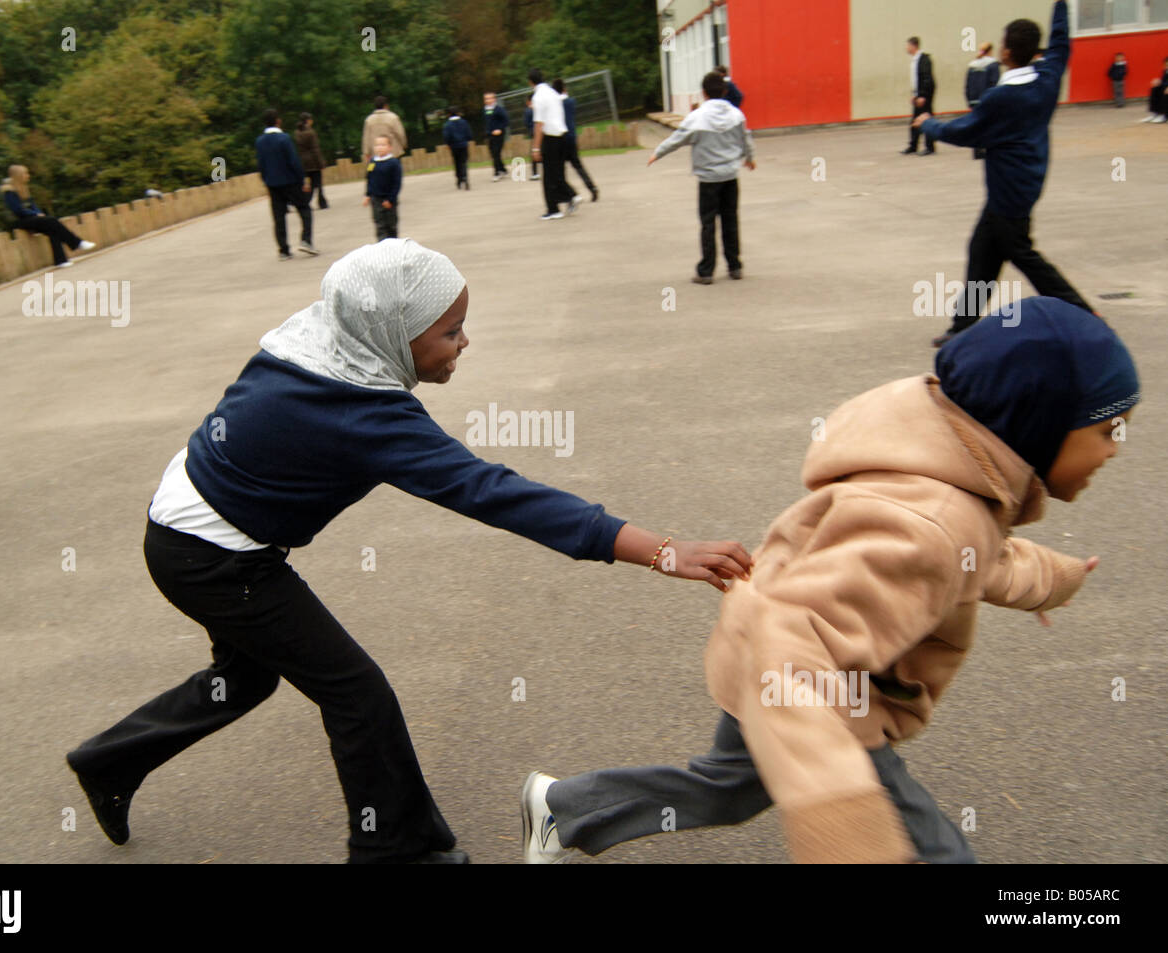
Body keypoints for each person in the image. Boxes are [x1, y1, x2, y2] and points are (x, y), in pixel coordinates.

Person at [64, 238, 754, 864]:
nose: (465, 342)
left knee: (247, 676)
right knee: (357, 694)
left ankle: (109, 763)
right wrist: (664, 550)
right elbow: (494, 492)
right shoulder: (364, 414)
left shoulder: (320, 337)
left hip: (182, 522)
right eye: (450, 332)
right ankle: (393, 852)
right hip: (213, 559)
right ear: (393, 332)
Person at [521, 297, 1138, 864]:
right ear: (1040, 421)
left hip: (784, 661)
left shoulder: (952, 475)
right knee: (932, 853)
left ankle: (562, 807)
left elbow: (980, 557)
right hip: (818, 690)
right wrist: (843, 822)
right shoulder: (940, 518)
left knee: (731, 789)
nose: (1116, 451)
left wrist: (1055, 579)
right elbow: (799, 637)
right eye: (1108, 430)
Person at [917, 1, 1093, 347]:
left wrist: (930, 125)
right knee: (983, 249)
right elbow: (1061, 42)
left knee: (1022, 254)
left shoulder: (1002, 98)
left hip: (1009, 190)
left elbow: (965, 131)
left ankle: (1084, 314)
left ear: (1007, 51)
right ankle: (964, 326)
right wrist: (1061, 6)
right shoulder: (1047, 78)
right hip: (1024, 183)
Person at [648, 71, 755, 284]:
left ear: (704, 93)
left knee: (708, 223)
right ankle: (735, 267)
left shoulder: (697, 118)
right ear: (725, 91)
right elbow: (746, 138)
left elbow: (677, 139)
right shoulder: (736, 115)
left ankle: (706, 271)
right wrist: (749, 158)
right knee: (730, 220)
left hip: (708, 179)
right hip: (730, 176)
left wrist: (657, 153)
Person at [0, 165, 95, 268]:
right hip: (19, 221)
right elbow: (17, 210)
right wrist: (35, 214)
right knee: (51, 221)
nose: (28, 176)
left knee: (52, 229)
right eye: (25, 173)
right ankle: (77, 243)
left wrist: (39, 214)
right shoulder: (8, 191)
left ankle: (61, 261)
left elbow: (32, 205)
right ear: (18, 175)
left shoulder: (23, 188)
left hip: (30, 218)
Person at [254, 109, 317, 261]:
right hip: (290, 181)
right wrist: (302, 179)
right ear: (278, 121)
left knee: (278, 217)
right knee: (304, 209)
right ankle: (306, 240)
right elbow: (293, 161)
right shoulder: (284, 138)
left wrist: (266, 180)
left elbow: (261, 164)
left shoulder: (260, 141)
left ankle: (283, 250)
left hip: (272, 184)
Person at [528, 68, 577, 221]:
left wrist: (536, 147)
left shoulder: (538, 97)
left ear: (530, 82)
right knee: (555, 173)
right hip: (562, 135)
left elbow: (539, 124)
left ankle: (559, 205)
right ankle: (563, 200)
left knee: (549, 176)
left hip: (550, 137)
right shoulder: (553, 93)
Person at [552, 79, 598, 202]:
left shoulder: (554, 104)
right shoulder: (571, 102)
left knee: (559, 170)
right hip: (571, 137)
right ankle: (592, 187)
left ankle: (571, 194)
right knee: (578, 166)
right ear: (564, 89)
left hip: (560, 138)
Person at [965, 42, 1000, 159]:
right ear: (990, 51)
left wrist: (969, 100)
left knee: (977, 125)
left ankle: (977, 150)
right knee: (989, 125)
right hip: (987, 99)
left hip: (974, 100)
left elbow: (967, 85)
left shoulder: (972, 65)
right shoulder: (993, 65)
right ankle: (988, 147)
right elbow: (994, 83)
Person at [362, 136, 402, 240]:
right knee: (379, 224)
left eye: (383, 145)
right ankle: (382, 247)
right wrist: (367, 194)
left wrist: (390, 199)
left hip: (389, 200)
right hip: (376, 199)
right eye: (377, 145)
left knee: (391, 225)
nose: (380, 147)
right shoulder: (372, 162)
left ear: (389, 147)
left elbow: (396, 183)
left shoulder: (393, 163)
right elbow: (369, 178)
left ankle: (394, 247)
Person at [903, 37, 936, 155]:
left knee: (927, 120)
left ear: (913, 46)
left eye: (907, 46)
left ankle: (930, 147)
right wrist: (914, 94)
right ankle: (913, 146)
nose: (906, 48)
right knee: (915, 121)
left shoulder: (924, 60)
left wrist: (923, 96)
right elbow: (916, 80)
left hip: (925, 96)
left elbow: (927, 79)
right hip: (918, 95)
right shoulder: (915, 60)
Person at [293, 112, 328, 209]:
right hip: (313, 161)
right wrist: (321, 163)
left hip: (303, 162)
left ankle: (306, 200)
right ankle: (321, 202)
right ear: (308, 120)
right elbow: (315, 149)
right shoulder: (311, 132)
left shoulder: (297, 133)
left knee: (308, 184)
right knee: (318, 184)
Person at [360, 95, 408, 160]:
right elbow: (400, 133)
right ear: (386, 105)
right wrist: (403, 144)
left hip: (377, 154)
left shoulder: (369, 120)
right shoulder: (393, 117)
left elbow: (366, 138)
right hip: (393, 152)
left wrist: (366, 152)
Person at [442, 106, 473, 190]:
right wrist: (467, 139)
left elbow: (446, 136)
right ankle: (465, 177)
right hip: (463, 144)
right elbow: (469, 134)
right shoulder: (464, 122)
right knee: (464, 162)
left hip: (454, 146)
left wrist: (448, 143)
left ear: (449, 114)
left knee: (457, 162)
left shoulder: (447, 125)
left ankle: (459, 179)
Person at [484, 92, 509, 181]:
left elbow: (506, 121)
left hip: (498, 135)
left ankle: (497, 172)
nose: (488, 100)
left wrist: (500, 129)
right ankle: (503, 169)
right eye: (486, 99)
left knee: (496, 152)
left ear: (494, 99)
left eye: (489, 98)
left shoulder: (499, 109)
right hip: (490, 134)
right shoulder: (486, 109)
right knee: (493, 153)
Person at [1140, 56, 1168, 122]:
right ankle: (1155, 113)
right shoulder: (1166, 71)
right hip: (1165, 88)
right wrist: (1158, 81)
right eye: (1166, 65)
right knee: (1154, 89)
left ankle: (1166, 115)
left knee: (1166, 92)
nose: (1167, 67)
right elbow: (1164, 81)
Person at [523, 98, 540, 180]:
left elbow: (526, 123)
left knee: (534, 152)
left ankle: (535, 173)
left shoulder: (528, 111)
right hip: (544, 132)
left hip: (534, 134)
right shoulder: (540, 108)